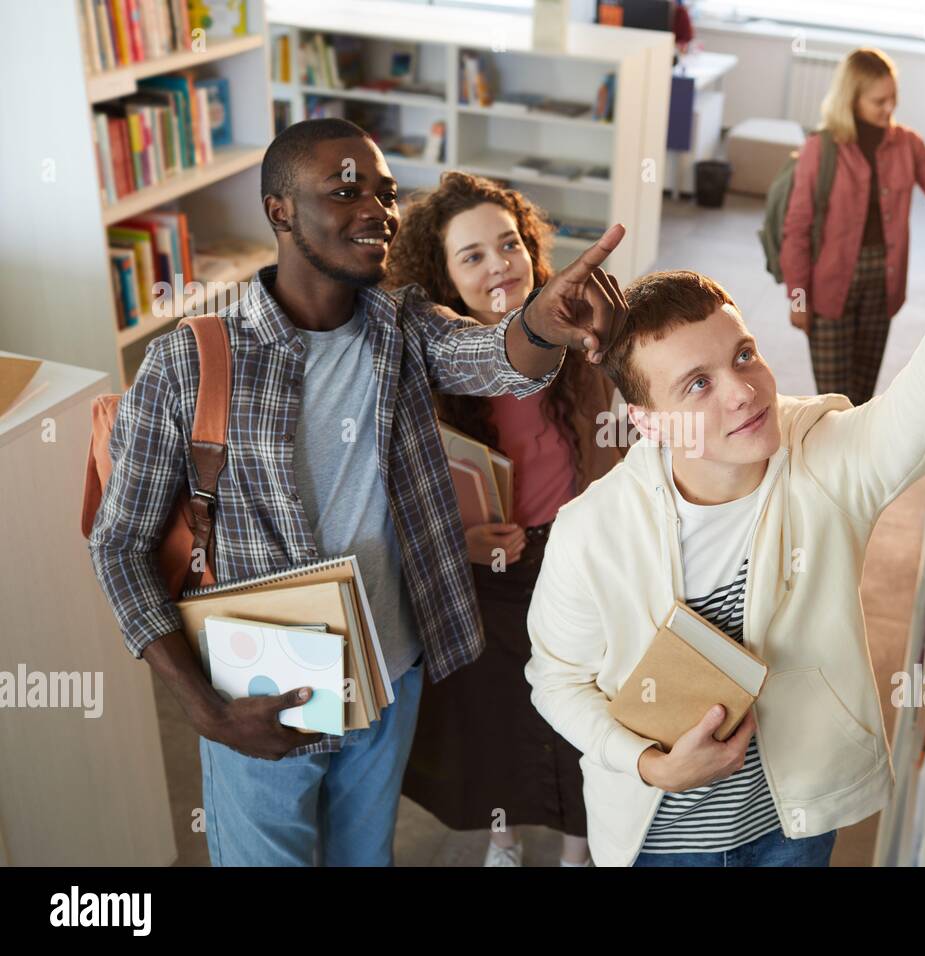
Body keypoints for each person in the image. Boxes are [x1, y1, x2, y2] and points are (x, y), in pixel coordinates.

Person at [88, 118, 628, 866]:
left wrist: (544, 316)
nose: (378, 209)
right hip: (261, 692)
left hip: (389, 679)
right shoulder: (191, 359)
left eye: (384, 192)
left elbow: (496, 357)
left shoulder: (403, 325)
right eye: (346, 190)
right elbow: (119, 546)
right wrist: (205, 708)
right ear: (280, 210)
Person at [526, 167, 925, 867]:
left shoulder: (824, 462)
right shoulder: (590, 532)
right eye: (698, 384)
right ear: (647, 422)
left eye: (745, 355)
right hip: (657, 841)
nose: (743, 391)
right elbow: (558, 681)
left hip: (792, 827)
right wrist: (648, 765)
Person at [384, 172, 624, 867]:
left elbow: (630, 438)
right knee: (496, 717)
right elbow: (398, 499)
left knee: (584, 711)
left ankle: (580, 850)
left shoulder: (579, 341)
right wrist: (463, 541)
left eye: (509, 244)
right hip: (484, 573)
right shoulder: (426, 366)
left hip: (577, 561)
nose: (499, 265)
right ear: (442, 274)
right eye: (473, 256)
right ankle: (505, 842)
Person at [782, 47, 925, 406]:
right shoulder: (821, 149)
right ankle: (835, 458)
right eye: (878, 101)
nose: (888, 109)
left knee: (862, 395)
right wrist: (798, 297)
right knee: (835, 398)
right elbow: (796, 229)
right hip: (830, 285)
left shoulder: (907, 143)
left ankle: (854, 461)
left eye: (893, 99)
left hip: (883, 282)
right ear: (852, 99)